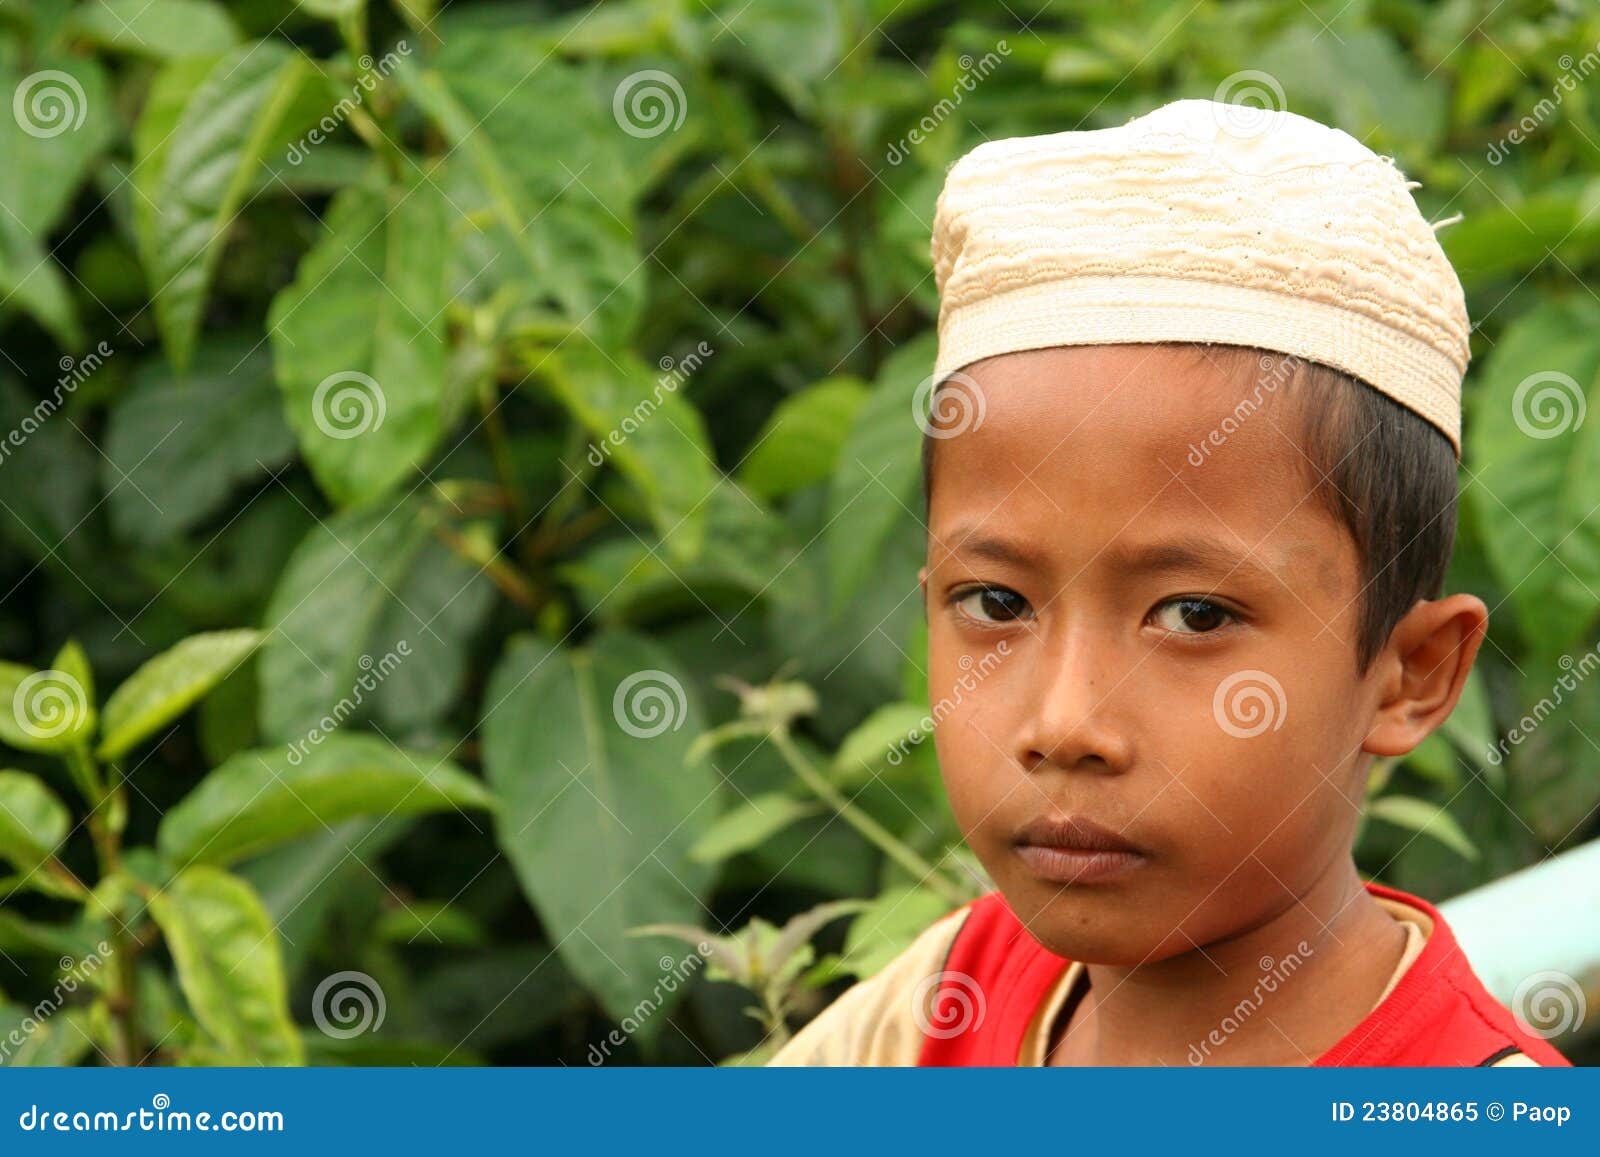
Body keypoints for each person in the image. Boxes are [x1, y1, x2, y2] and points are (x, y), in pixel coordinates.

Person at [769, 98, 1573, 1067]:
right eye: (996, 602)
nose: (1065, 724)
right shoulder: (946, 996)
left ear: (1411, 671)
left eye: (1193, 614)